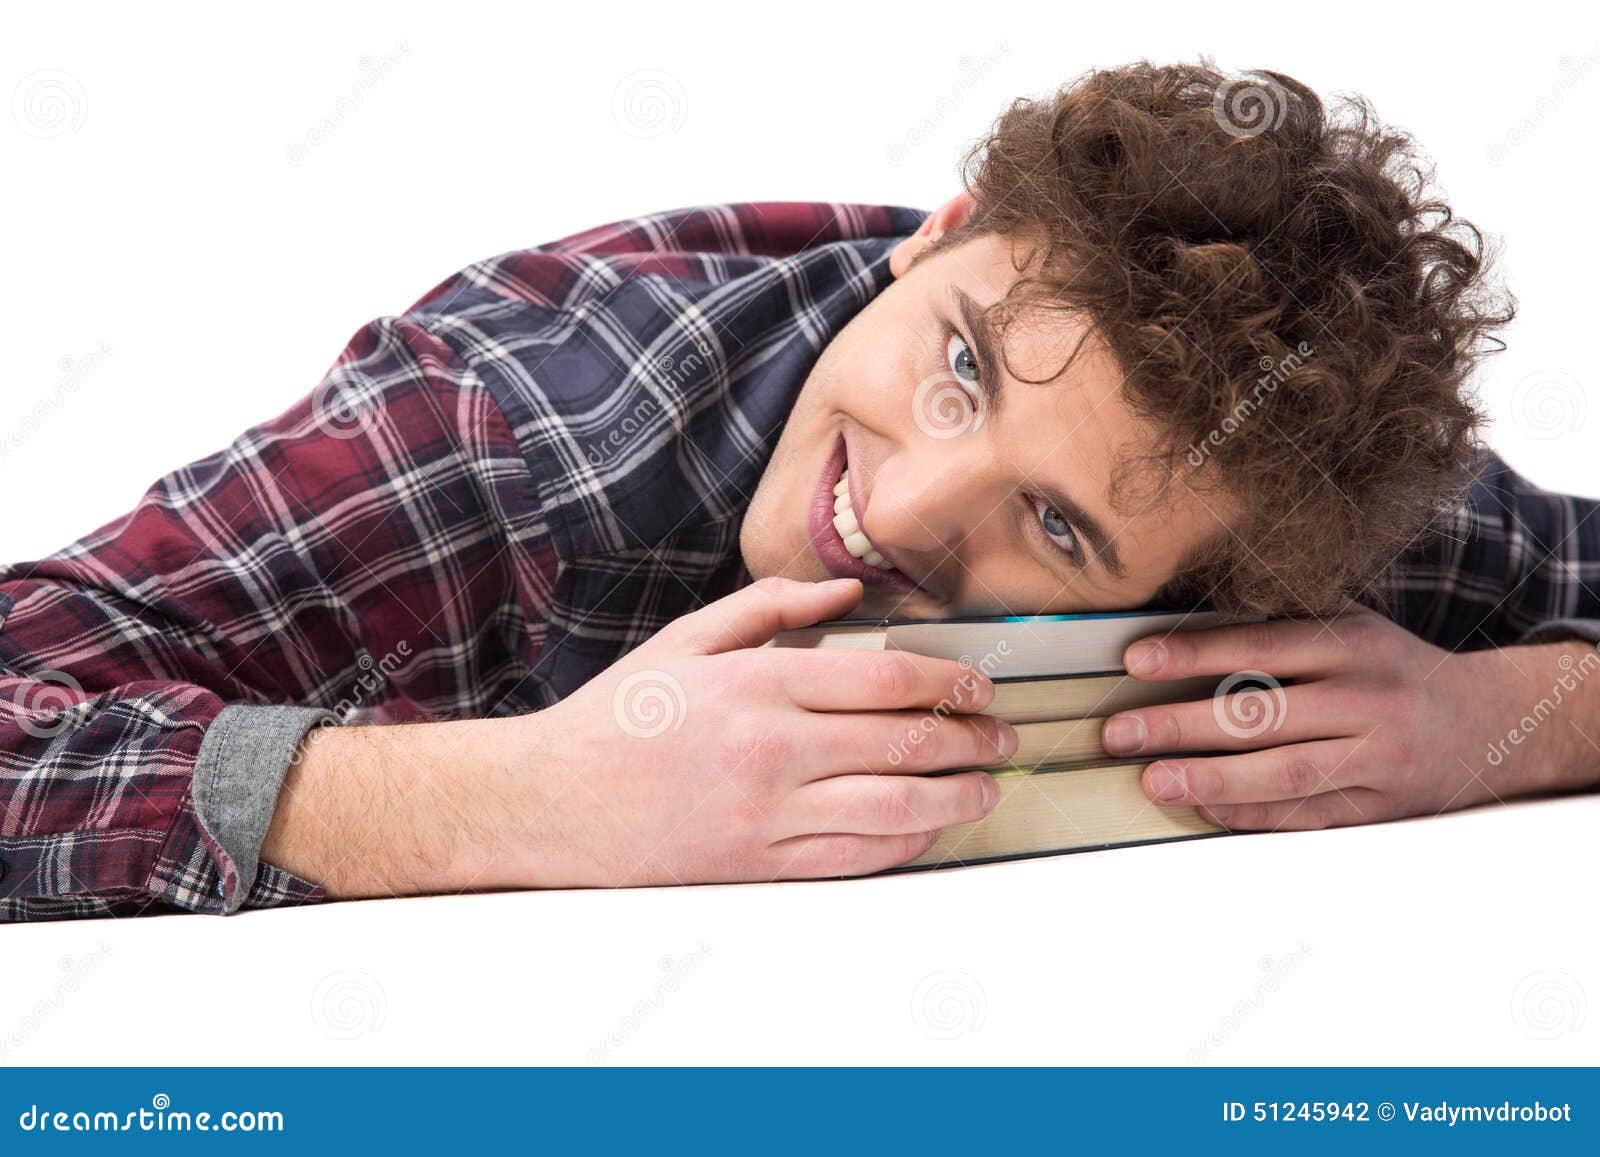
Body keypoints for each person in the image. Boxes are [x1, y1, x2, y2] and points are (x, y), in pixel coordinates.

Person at [3, 62, 1596, 921]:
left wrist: (1498, 719)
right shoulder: (514, 447)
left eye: (1054, 525)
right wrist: (523, 799)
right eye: (958, 366)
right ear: (943, 230)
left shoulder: (1257, 467)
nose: (907, 510)